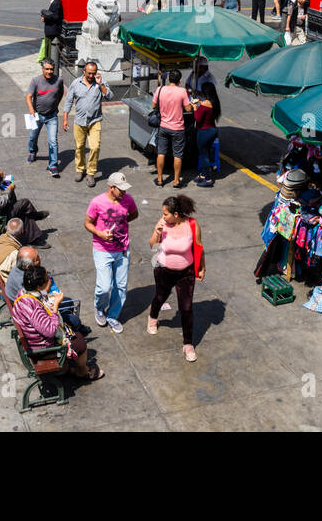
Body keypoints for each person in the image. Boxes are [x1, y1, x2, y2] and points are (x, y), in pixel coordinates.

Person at [12, 265, 103, 381]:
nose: (50, 279)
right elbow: (50, 331)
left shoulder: (23, 293)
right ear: (39, 286)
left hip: (32, 340)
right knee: (80, 341)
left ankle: (64, 368)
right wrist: (55, 307)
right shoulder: (33, 306)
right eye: (48, 278)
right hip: (41, 349)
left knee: (72, 327)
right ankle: (83, 371)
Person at [147, 194, 205, 361]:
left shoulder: (192, 224)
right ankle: (152, 317)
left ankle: (188, 344)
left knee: (186, 308)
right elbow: (153, 247)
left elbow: (199, 246)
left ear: (176, 214)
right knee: (160, 296)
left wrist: (202, 266)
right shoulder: (162, 224)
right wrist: (157, 232)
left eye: (166, 214)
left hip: (185, 273)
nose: (163, 216)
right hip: (163, 269)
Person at [84, 171, 138, 332]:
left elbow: (134, 214)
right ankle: (99, 308)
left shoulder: (128, 200)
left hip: (122, 248)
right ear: (111, 187)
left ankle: (113, 315)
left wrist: (122, 221)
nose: (124, 192)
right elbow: (87, 223)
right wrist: (100, 233)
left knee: (121, 286)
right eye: (120, 189)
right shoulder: (97, 202)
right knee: (104, 286)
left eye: (125, 189)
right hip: (103, 250)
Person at [63, 62, 112, 185]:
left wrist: (101, 84)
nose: (91, 76)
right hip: (79, 121)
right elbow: (68, 101)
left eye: (93, 73)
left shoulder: (100, 83)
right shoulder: (76, 83)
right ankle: (80, 169)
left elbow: (110, 96)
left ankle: (91, 173)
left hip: (95, 121)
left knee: (95, 147)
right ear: (84, 71)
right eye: (89, 73)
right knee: (79, 147)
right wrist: (65, 119)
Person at [26, 58, 64, 175]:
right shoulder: (35, 81)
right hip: (36, 115)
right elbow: (28, 97)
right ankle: (32, 152)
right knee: (33, 137)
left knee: (53, 141)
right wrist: (31, 110)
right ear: (42, 69)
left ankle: (53, 165)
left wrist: (56, 105)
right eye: (46, 69)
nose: (49, 71)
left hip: (52, 116)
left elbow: (60, 93)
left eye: (51, 69)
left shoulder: (59, 80)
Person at [152, 69, 189, 188]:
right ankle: (176, 181)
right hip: (178, 128)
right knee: (177, 155)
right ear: (180, 80)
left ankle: (160, 180)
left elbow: (153, 105)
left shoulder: (160, 89)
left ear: (168, 79)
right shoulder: (182, 91)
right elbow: (188, 109)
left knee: (161, 153)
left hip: (163, 126)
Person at [190, 82, 220, 188]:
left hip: (204, 131)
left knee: (204, 155)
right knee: (204, 153)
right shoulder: (214, 101)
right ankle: (203, 175)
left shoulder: (204, 104)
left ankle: (207, 179)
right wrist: (200, 102)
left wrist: (194, 107)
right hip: (212, 130)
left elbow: (197, 118)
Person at [0, 218, 25, 284]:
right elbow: (19, 275)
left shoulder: (1, 238)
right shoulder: (14, 254)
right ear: (22, 232)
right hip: (7, 283)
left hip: (0, 276)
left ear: (6, 228)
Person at [40, 0, 63, 67]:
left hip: (53, 29)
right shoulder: (54, 2)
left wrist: (45, 17)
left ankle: (49, 61)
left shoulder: (56, 3)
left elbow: (55, 16)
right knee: (47, 46)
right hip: (51, 29)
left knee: (49, 47)